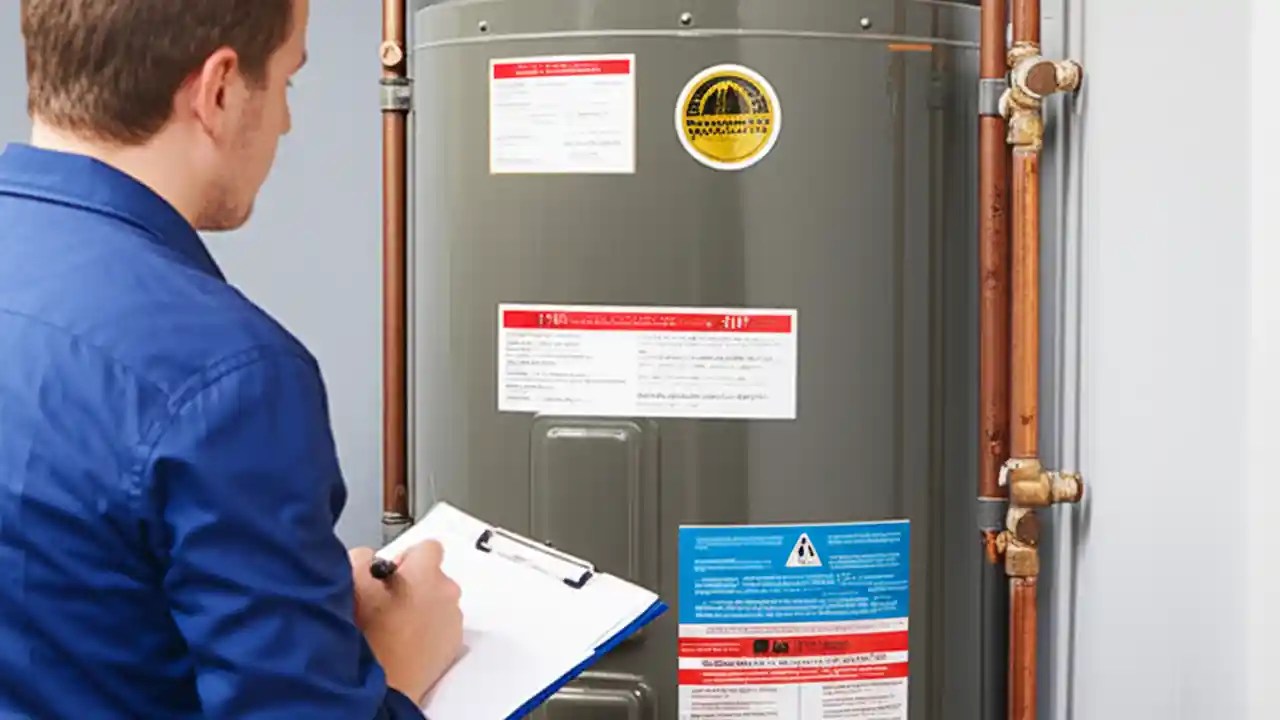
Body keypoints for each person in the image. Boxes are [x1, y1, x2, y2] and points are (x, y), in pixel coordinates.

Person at [0, 1, 463, 718]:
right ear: (217, 90)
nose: (284, 122)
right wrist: (401, 661)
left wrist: (288, 592)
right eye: (286, 83)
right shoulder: (229, 376)